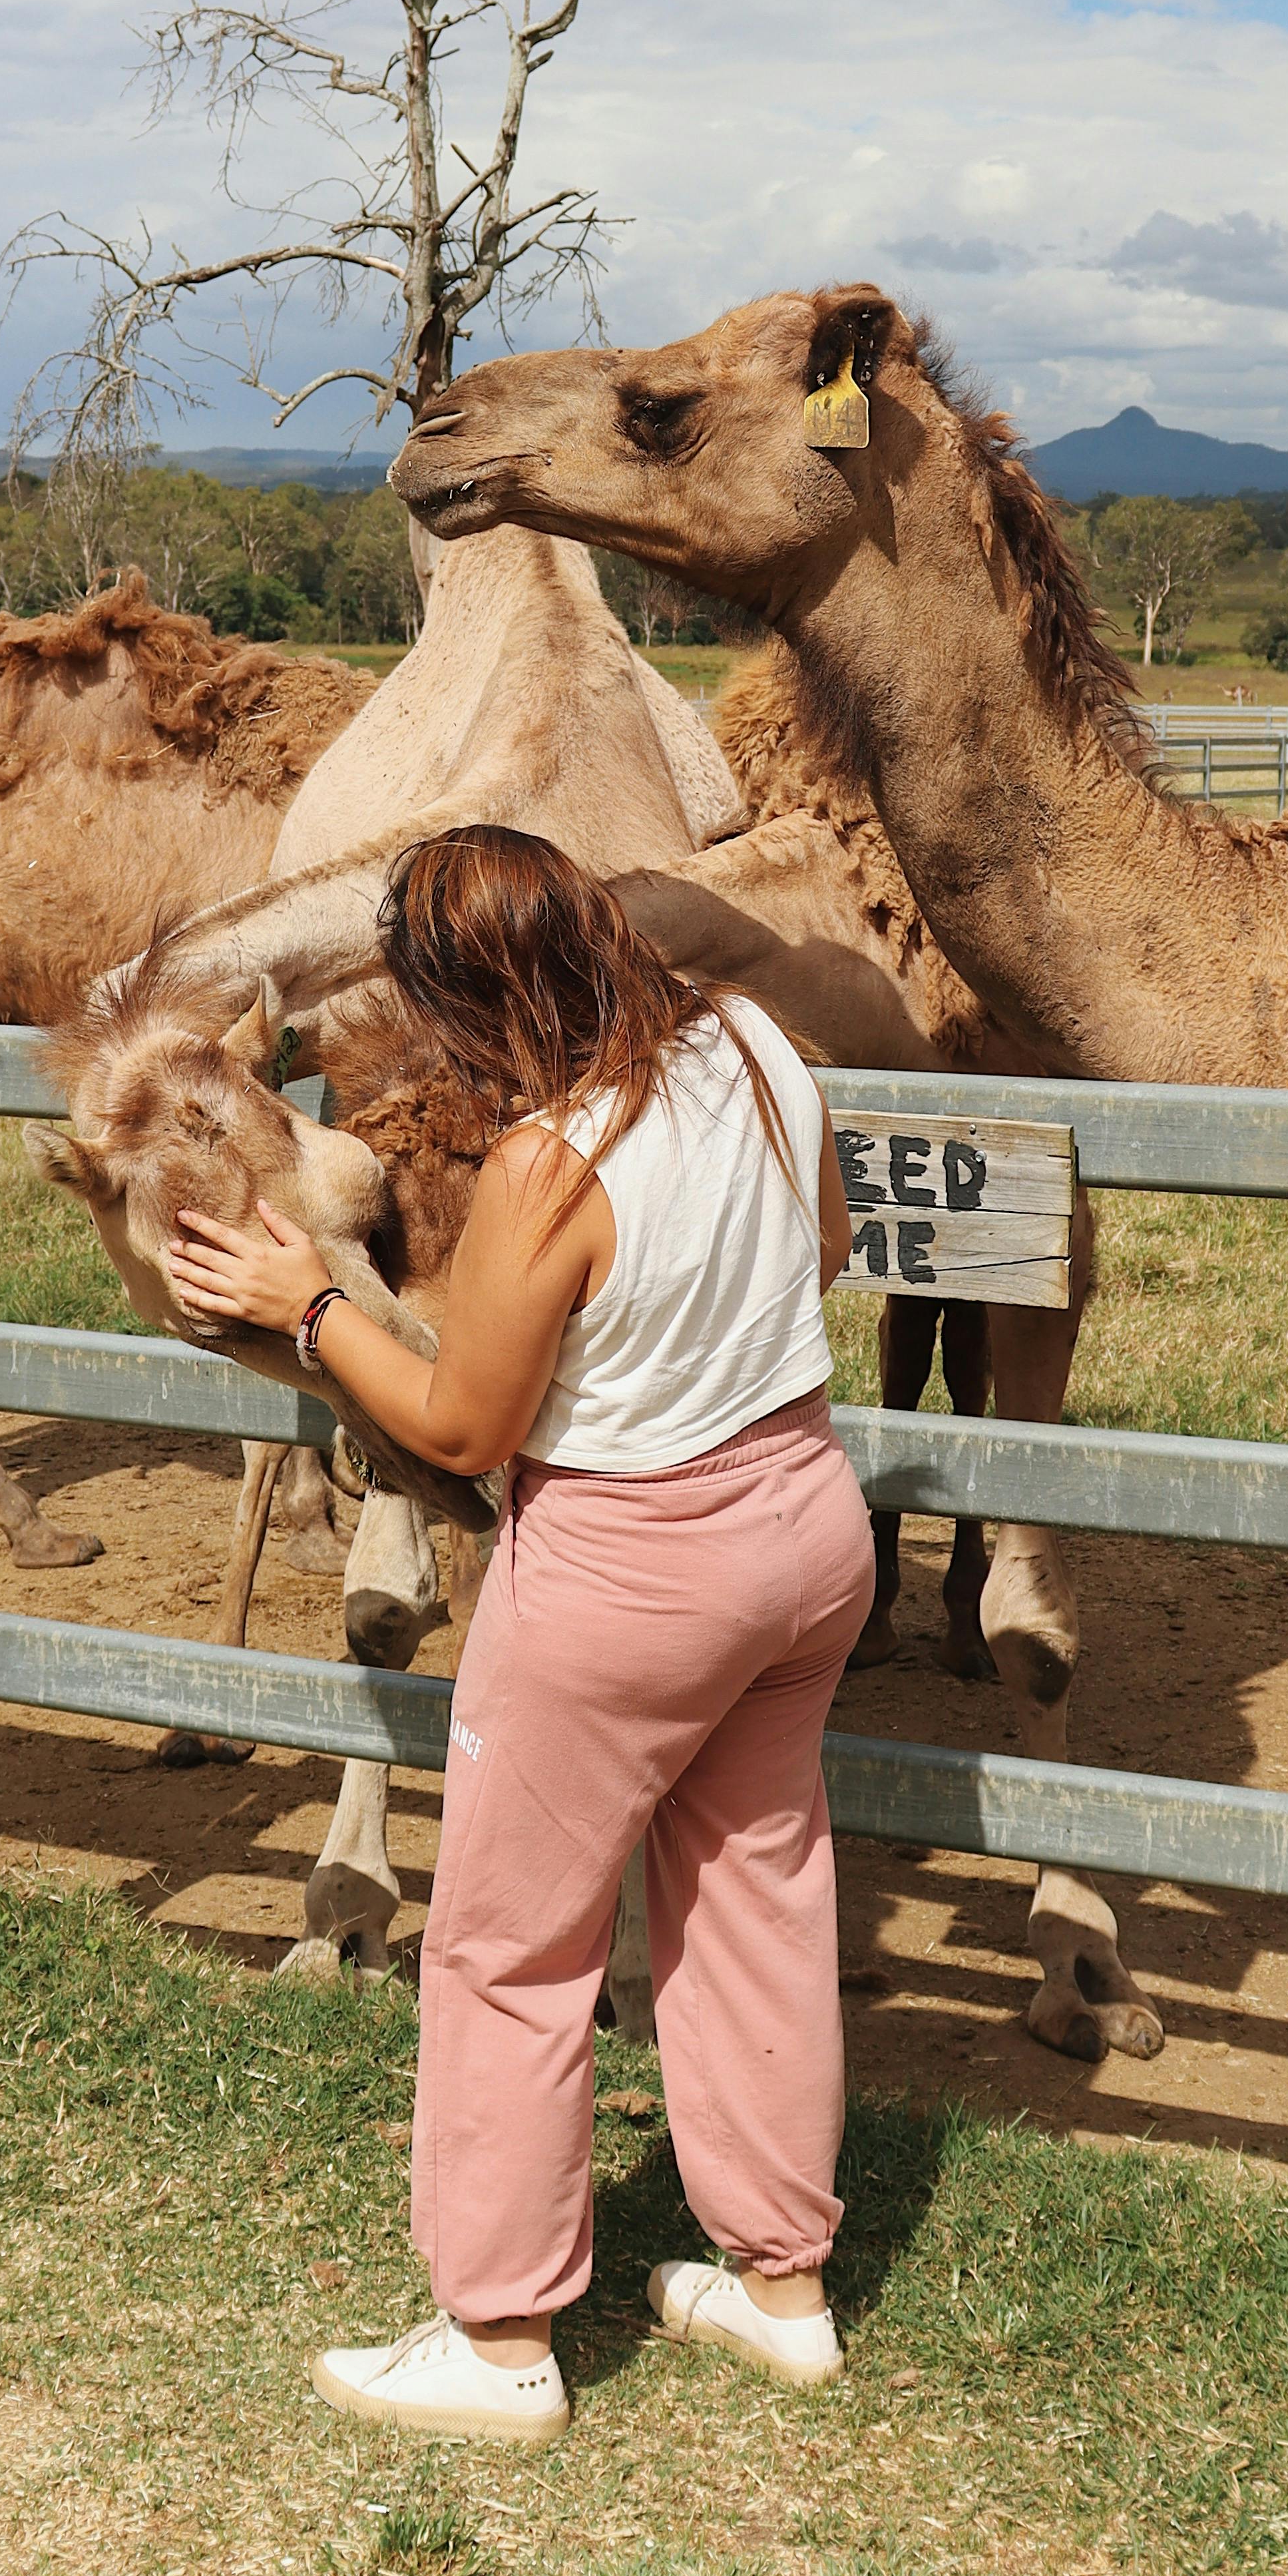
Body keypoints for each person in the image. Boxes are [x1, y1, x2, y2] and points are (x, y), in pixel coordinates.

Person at [164, 822, 875, 2448]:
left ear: (465, 998)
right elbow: (826, 1250)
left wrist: (312, 1309)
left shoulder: (550, 1162)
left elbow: (470, 1423)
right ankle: (781, 2289)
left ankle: (497, 2341)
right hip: (802, 1528)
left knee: (505, 1947)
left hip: (627, 1576)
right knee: (756, 1891)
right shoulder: (759, 1044)